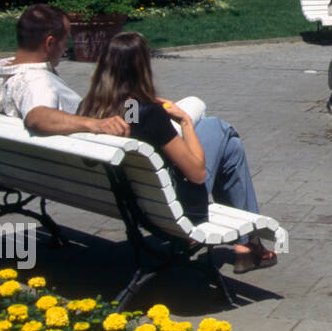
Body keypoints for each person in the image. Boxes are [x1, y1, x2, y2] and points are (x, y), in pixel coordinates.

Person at [78, 32, 276, 272]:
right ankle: (248, 245)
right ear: (142, 66)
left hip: (133, 201)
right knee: (220, 130)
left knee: (230, 148)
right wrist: (184, 122)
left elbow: (133, 123)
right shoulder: (149, 113)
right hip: (174, 207)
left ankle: (249, 245)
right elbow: (198, 174)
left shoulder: (90, 107)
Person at [0, 4, 130, 136]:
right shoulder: (36, 82)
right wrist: (93, 125)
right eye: (66, 38)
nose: (66, 46)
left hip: (15, 168)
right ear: (50, 43)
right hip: (83, 167)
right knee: (147, 114)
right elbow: (37, 117)